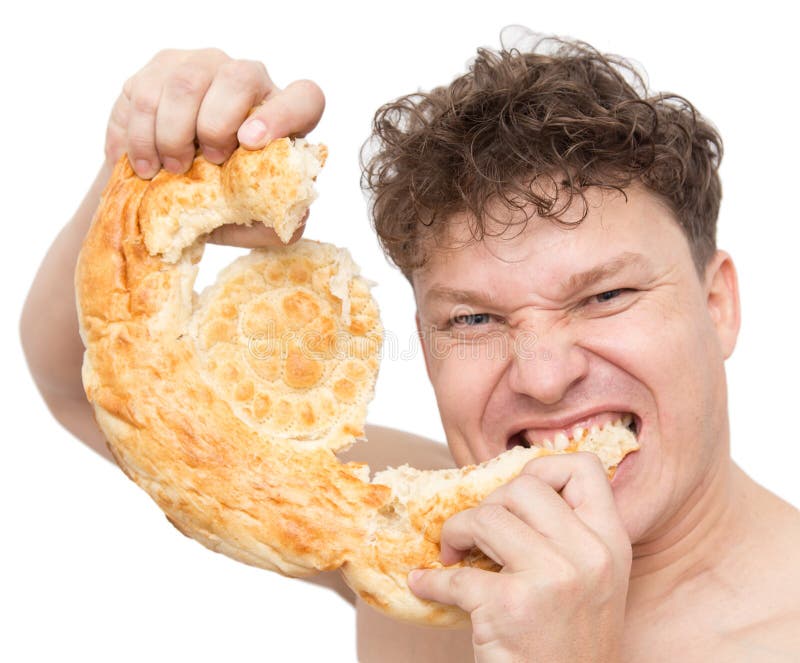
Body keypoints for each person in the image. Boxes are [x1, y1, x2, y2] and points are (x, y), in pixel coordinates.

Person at [19, 35, 800, 662]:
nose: (546, 374)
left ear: (717, 304)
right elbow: (76, 378)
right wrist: (151, 167)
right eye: (472, 321)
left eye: (605, 296)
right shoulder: (410, 537)